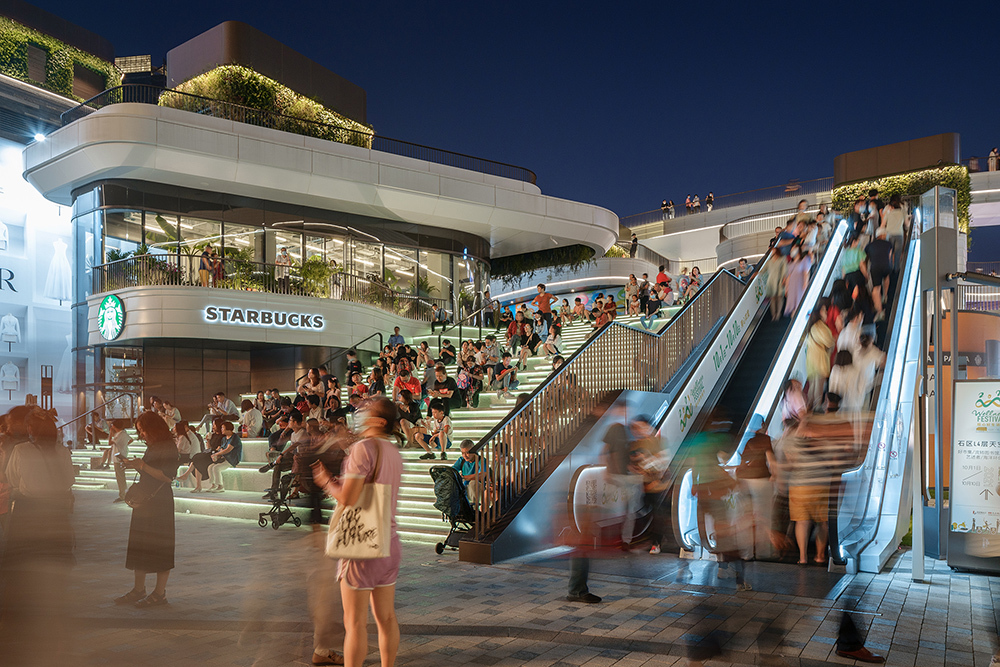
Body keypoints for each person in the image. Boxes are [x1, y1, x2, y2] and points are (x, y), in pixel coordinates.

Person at [311, 397, 403, 667]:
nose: (359, 413)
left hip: (363, 546)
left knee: (354, 624)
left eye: (366, 410)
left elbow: (349, 498)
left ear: (379, 420)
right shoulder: (393, 450)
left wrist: (326, 481)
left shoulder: (363, 448)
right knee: (386, 617)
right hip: (390, 542)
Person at [0, 408, 76, 663]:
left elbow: (12, 477)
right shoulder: (63, 452)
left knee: (22, 571)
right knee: (54, 577)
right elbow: (68, 480)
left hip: (27, 513)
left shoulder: (21, 451)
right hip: (56, 515)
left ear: (32, 429)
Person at [115, 411, 179, 608]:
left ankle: (160, 593)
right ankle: (139, 589)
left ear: (154, 428)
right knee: (140, 543)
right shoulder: (153, 446)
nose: (141, 435)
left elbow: (168, 477)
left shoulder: (168, 446)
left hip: (159, 501)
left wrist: (142, 465)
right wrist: (136, 465)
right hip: (145, 499)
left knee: (161, 545)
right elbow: (149, 470)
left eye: (143, 430)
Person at [601, 406, 643, 549]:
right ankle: (618, 539)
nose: (624, 413)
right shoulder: (615, 428)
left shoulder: (629, 431)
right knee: (620, 508)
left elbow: (630, 455)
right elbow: (605, 450)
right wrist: (607, 470)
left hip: (625, 476)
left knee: (628, 509)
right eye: (621, 410)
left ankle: (625, 540)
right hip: (617, 476)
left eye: (626, 411)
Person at [736, 425, 777, 560]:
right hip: (760, 480)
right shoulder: (765, 439)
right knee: (764, 517)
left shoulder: (747, 441)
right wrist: (774, 476)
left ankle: (746, 554)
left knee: (746, 517)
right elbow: (771, 461)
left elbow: (742, 462)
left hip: (744, 480)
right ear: (764, 427)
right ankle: (763, 553)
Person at [805, 299, 835, 412]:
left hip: (811, 362)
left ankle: (809, 409)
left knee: (813, 387)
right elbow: (830, 341)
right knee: (818, 389)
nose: (826, 313)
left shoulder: (812, 327)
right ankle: (816, 411)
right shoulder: (820, 327)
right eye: (824, 311)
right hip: (819, 362)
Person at [206, 421, 242, 493]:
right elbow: (222, 449)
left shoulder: (235, 438)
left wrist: (217, 454)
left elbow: (228, 449)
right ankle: (213, 485)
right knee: (210, 467)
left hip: (232, 459)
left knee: (216, 468)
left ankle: (220, 486)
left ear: (228, 429)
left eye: (223, 428)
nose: (221, 429)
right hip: (224, 459)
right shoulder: (224, 439)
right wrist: (218, 454)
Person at [452, 439, 486, 504]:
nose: (465, 456)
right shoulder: (462, 460)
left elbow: (482, 475)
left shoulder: (480, 460)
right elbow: (452, 470)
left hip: (478, 489)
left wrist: (464, 477)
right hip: (464, 488)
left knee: (473, 483)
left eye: (467, 452)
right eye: (463, 453)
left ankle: (475, 507)